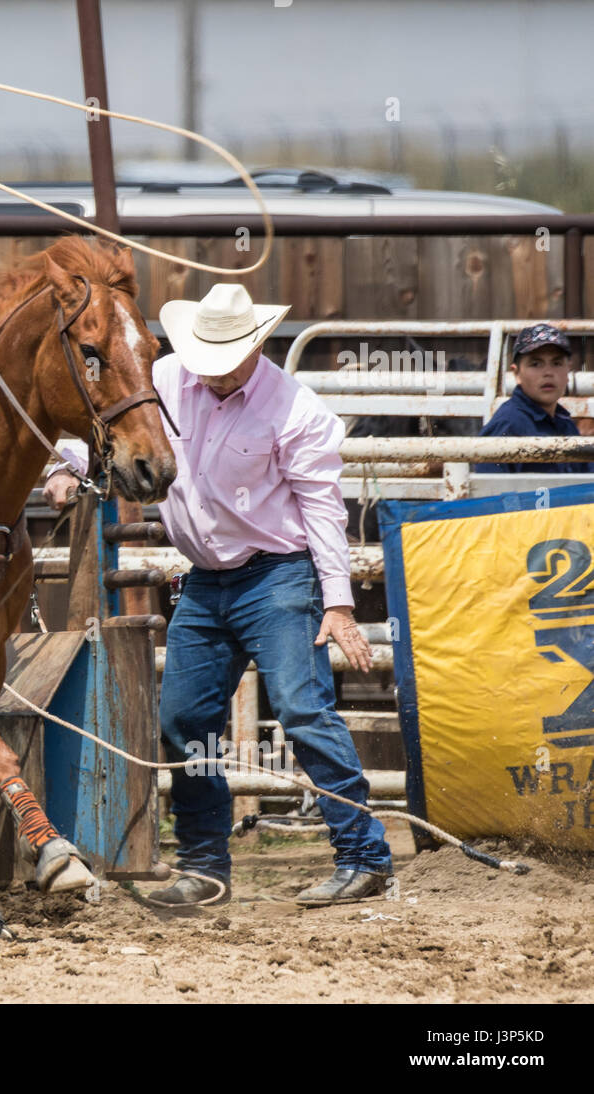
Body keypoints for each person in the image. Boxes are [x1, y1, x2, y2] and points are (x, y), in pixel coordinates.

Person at [44, 284, 393, 906]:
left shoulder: (295, 410)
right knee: (183, 720)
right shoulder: (166, 379)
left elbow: (321, 509)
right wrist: (66, 464)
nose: (208, 370)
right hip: (205, 580)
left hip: (279, 574)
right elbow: (107, 418)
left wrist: (337, 603)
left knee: (301, 709)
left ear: (256, 346)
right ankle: (205, 864)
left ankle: (364, 856)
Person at [475, 324, 591, 475]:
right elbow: (487, 490)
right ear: (516, 374)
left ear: (567, 370)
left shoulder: (564, 422)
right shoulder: (508, 424)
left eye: (556, 363)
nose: (548, 373)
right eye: (535, 364)